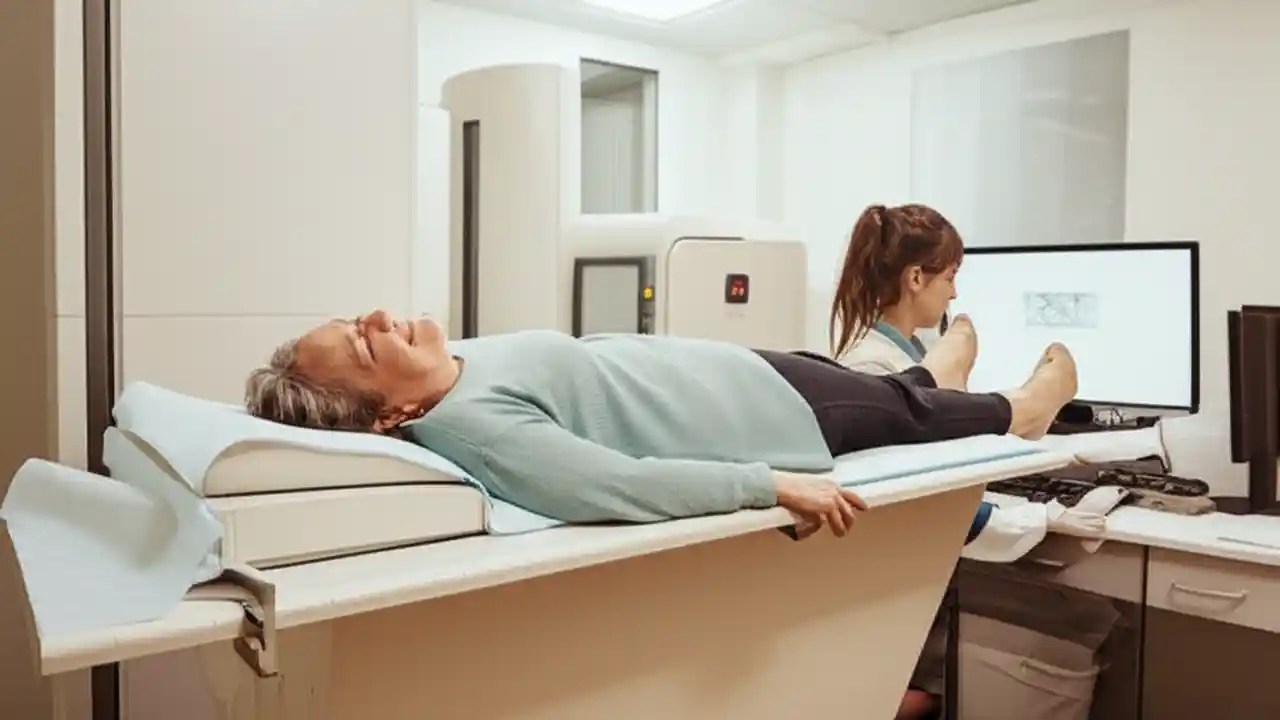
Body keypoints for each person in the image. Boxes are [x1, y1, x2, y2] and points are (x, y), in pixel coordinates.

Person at [243, 308, 1077, 539]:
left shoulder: (454, 362)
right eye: (365, 341)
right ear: (388, 414)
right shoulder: (474, 428)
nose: (382, 316)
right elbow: (615, 488)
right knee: (902, 412)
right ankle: (1019, 409)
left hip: (737, 374)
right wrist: (769, 484)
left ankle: (933, 373)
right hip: (768, 421)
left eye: (361, 317)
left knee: (891, 390)